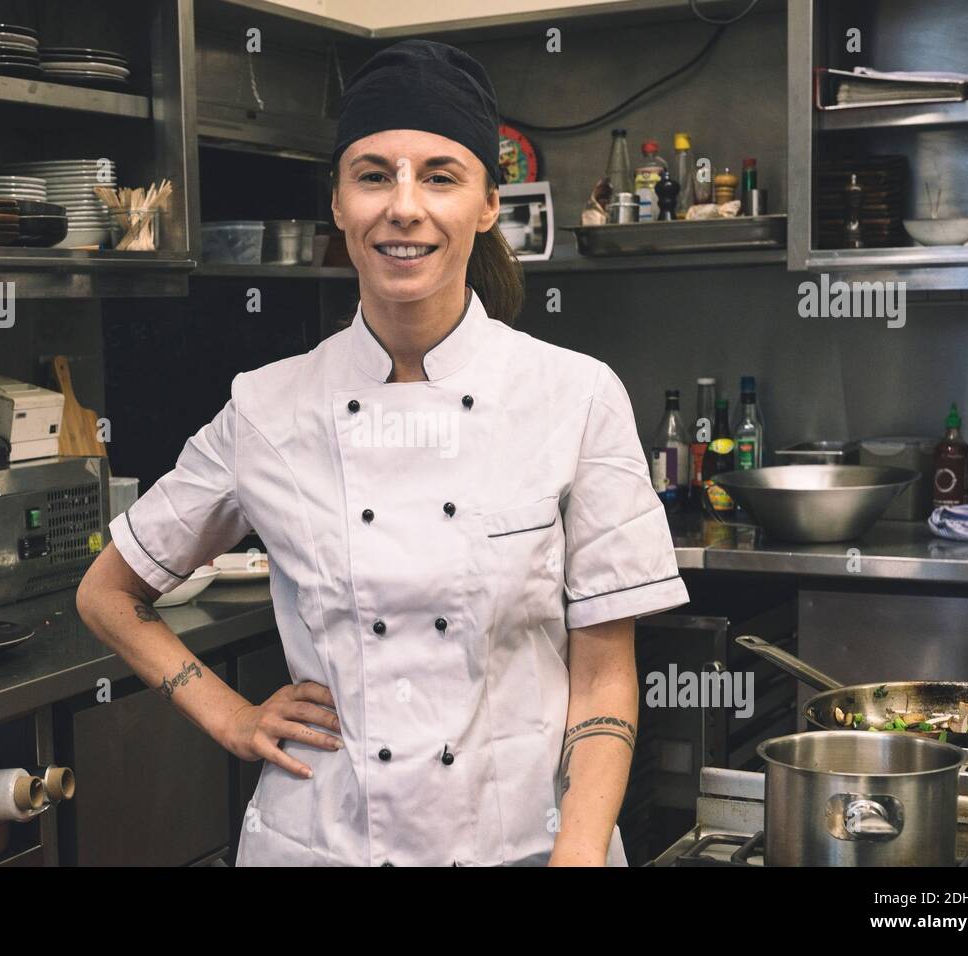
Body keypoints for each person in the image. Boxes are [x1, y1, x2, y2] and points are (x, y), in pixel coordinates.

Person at [76, 38, 689, 866]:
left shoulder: (574, 396)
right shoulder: (268, 406)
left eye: (440, 175)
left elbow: (605, 673)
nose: (404, 207)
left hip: (523, 848)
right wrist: (230, 715)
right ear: (338, 203)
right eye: (373, 175)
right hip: (320, 846)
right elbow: (109, 594)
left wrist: (578, 852)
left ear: (485, 205)